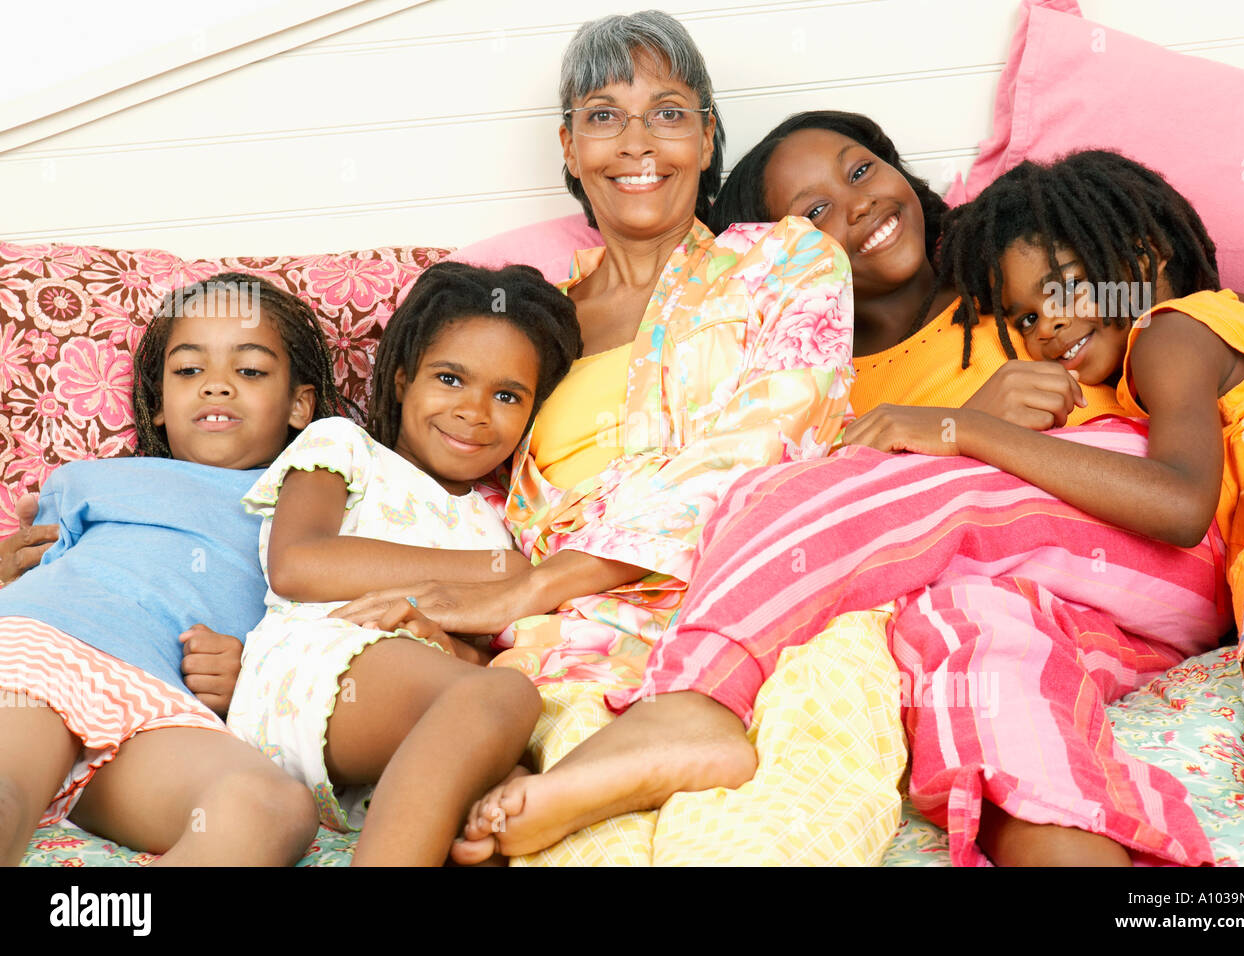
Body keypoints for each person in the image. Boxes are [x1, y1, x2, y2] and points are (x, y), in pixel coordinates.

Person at [455, 113, 1244, 866]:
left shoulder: (1008, 272)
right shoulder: (822, 386)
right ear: (782, 252)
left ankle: (692, 703)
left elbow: (1185, 308)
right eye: (816, 210)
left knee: (803, 494)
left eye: (863, 169)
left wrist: (953, 431)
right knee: (972, 662)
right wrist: (947, 422)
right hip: (1040, 602)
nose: (859, 202)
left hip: (1130, 529)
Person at [325, 17, 855, 865]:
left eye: (669, 113)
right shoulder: (532, 321)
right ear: (568, 147)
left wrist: (528, 588)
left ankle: (682, 733)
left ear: (709, 136)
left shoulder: (785, 262)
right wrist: (457, 612)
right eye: (604, 116)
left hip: (744, 587)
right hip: (562, 637)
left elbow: (768, 440)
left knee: (769, 816)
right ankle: (630, 756)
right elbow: (473, 489)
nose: (637, 142)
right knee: (518, 822)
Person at [868, 149, 1244, 828]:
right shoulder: (1227, 314)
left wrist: (967, 430)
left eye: (1065, 289)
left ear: (1146, 259)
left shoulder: (1162, 338)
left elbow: (1181, 503)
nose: (1049, 329)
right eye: (1027, 318)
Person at [225, 263, 579, 866]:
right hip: (309, 674)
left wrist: (436, 623)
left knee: (506, 804)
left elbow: (476, 652)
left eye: (506, 395)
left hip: (404, 731)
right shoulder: (344, 445)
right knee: (509, 700)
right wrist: (494, 571)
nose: (474, 410)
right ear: (398, 380)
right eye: (449, 378)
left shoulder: (500, 520)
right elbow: (298, 565)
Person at [0, 272, 345, 866]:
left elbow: (327, 639)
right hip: (48, 651)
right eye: (189, 371)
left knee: (272, 807)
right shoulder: (97, 479)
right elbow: (33, 562)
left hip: (155, 709)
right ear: (158, 406)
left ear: (299, 405)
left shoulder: (318, 510)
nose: (216, 386)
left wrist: (251, 672)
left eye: (250, 371)